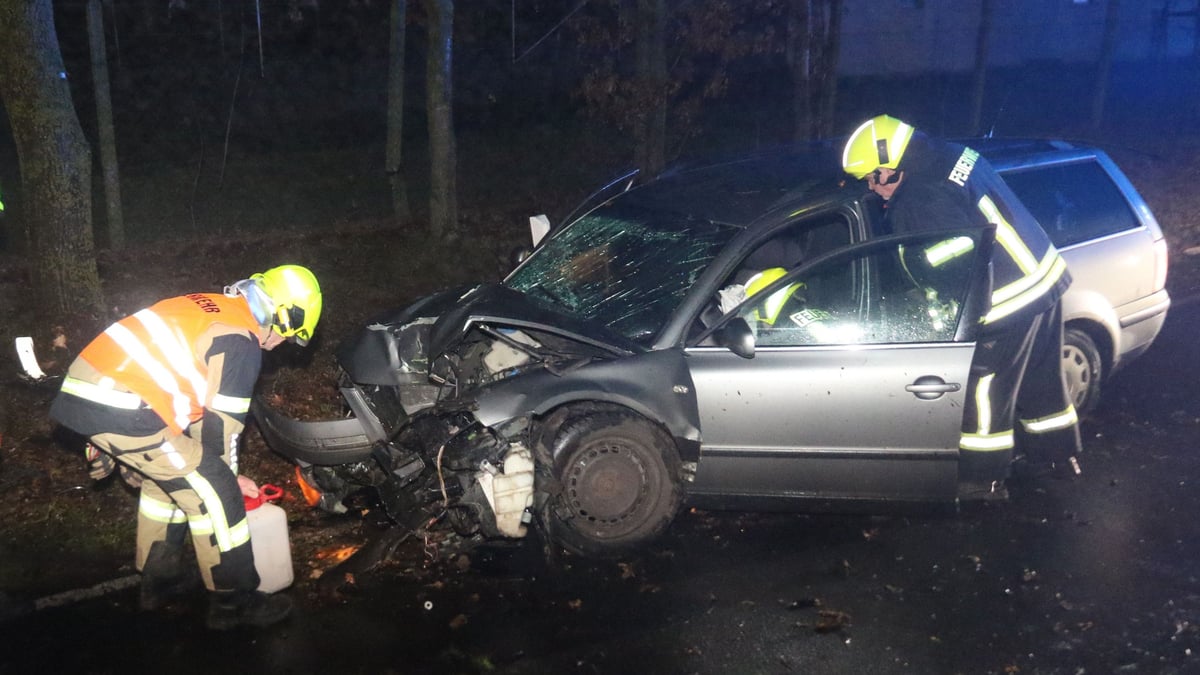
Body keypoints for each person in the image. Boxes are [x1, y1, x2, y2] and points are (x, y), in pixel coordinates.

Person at [48, 264, 322, 629]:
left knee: (173, 481)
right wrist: (230, 477)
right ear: (286, 317)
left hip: (89, 392)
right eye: (290, 336)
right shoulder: (241, 341)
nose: (282, 344)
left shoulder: (212, 305)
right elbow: (222, 430)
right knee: (216, 491)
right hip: (123, 408)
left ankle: (160, 581)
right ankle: (234, 603)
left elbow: (193, 406)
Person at [842, 114, 1082, 499]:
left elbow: (955, 261)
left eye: (877, 177)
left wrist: (927, 284)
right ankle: (1058, 458)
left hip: (1006, 298)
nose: (874, 188)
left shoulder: (919, 198)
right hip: (1043, 276)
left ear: (895, 162)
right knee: (1043, 378)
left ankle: (981, 481)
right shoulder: (953, 154)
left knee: (984, 392)